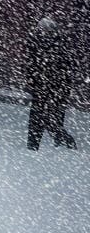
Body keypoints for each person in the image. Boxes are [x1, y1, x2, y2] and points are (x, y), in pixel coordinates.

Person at [26, 16, 76, 150]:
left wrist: (32, 81)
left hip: (50, 87)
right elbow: (31, 64)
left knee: (43, 118)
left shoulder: (50, 43)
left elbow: (31, 65)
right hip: (50, 87)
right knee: (46, 118)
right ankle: (58, 142)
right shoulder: (57, 43)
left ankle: (36, 145)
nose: (42, 32)